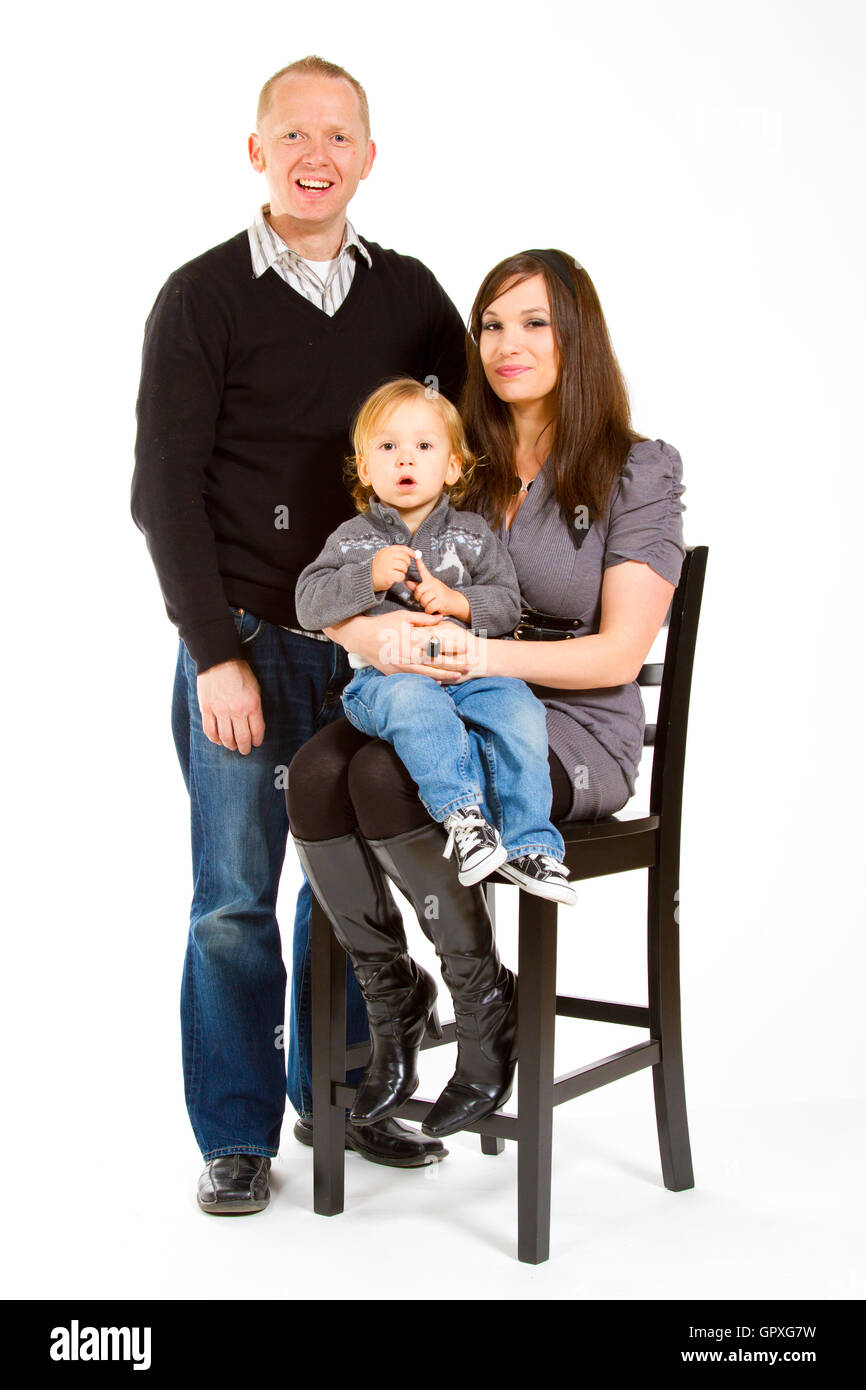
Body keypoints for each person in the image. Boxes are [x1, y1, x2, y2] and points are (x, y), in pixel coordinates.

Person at [131, 55, 468, 1216]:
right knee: (232, 893)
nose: (315, 156)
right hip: (243, 634)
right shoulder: (202, 295)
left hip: (369, 646)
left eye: (338, 137)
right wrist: (210, 650)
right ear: (257, 152)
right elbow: (163, 485)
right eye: (293, 135)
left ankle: (341, 1106)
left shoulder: (414, 296)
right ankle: (235, 1136)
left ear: (368, 156)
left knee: (346, 886)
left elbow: (461, 459)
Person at [286, 247, 686, 1143]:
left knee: (386, 781)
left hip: (568, 725)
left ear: (577, 335)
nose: (508, 343)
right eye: (492, 323)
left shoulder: (638, 469)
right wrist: (360, 630)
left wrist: (474, 654)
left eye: (534, 322)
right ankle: (397, 1001)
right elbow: (344, 588)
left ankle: (482, 1008)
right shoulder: (451, 457)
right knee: (314, 775)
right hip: (433, 693)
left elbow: (619, 654)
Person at [293, 377, 577, 1132]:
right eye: (387, 448)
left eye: (424, 447)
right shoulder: (356, 539)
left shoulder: (474, 537)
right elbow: (311, 603)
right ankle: (395, 1000)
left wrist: (459, 605)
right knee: (320, 774)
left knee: (512, 701)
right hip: (388, 692)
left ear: (454, 465)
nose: (406, 459)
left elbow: (506, 605)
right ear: (364, 464)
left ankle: (514, 874)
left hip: (465, 682)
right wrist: (367, 579)